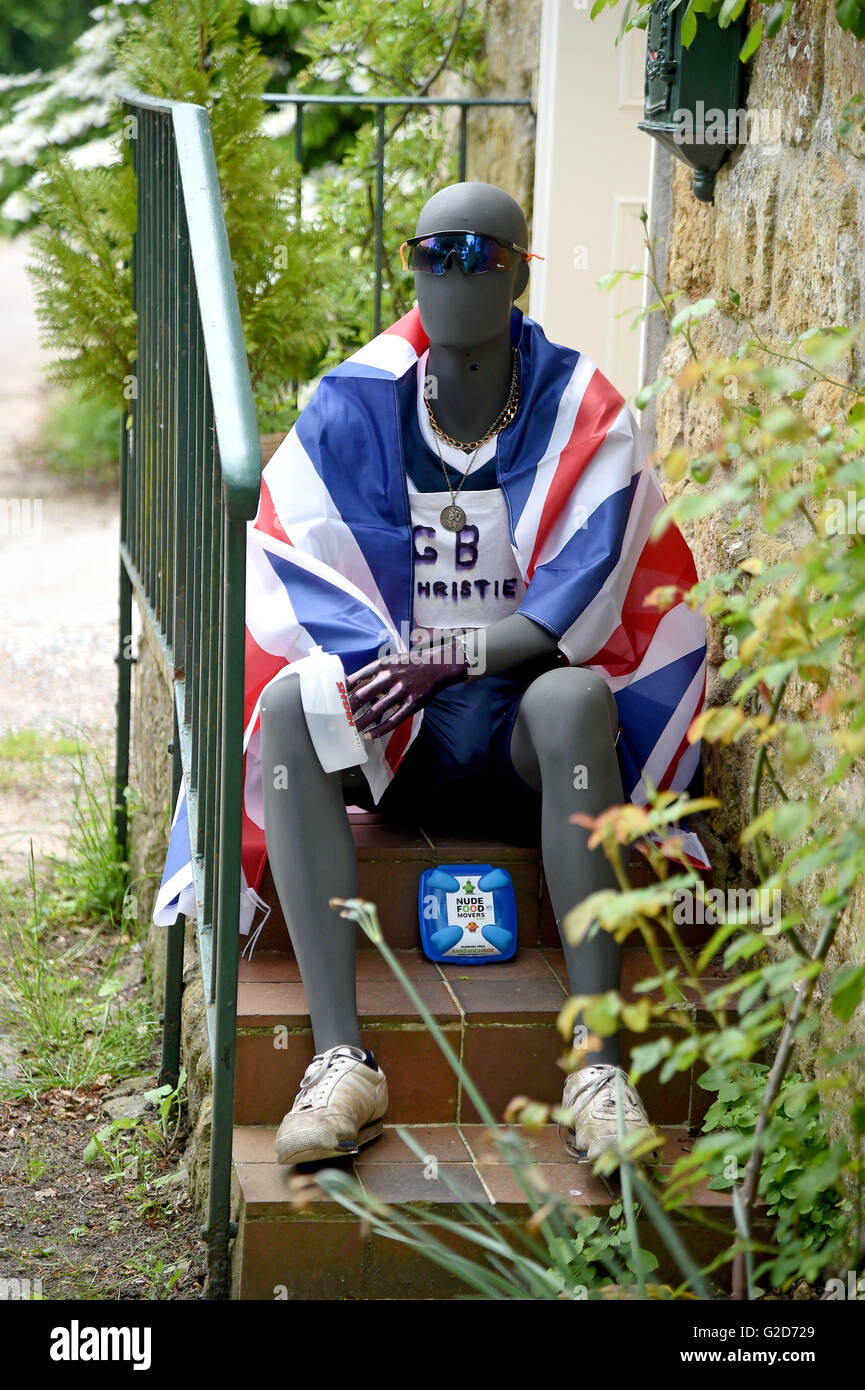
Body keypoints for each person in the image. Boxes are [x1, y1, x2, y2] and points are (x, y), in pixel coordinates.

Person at [156, 179, 708, 1167]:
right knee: (286, 708)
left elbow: (577, 605)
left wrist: (438, 656)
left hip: (521, 734)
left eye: (480, 256)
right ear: (411, 265)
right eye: (432, 253)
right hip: (401, 728)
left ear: (518, 273)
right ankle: (340, 1062)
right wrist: (392, 664)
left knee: (579, 699)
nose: (453, 275)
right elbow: (292, 554)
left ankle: (597, 1062)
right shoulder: (359, 401)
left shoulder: (585, 408)